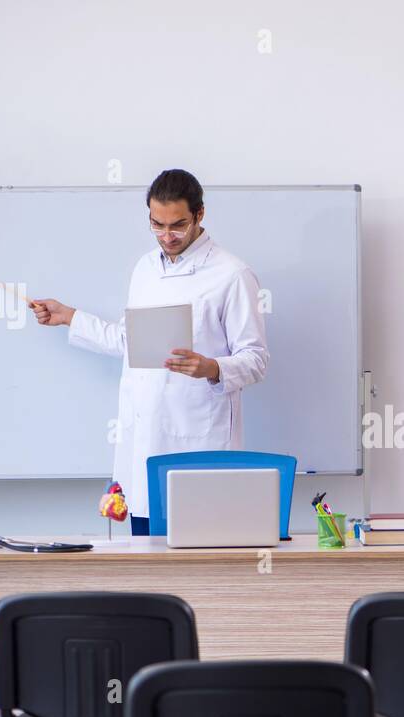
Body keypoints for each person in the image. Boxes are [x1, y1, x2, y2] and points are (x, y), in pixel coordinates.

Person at [31, 170, 268, 534]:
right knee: (146, 567)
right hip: (143, 447)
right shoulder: (145, 268)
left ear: (200, 215)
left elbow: (255, 360)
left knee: (197, 565)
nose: (167, 236)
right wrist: (69, 317)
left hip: (197, 442)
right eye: (157, 225)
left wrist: (210, 367)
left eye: (178, 226)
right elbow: (130, 343)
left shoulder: (231, 275)